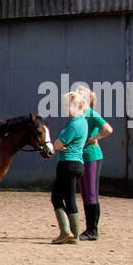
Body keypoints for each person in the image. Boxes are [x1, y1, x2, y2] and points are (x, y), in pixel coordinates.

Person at [50, 85, 92, 244]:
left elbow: (59, 144)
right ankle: (73, 235)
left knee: (57, 198)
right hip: (76, 163)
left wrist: (57, 144)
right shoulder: (79, 121)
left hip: (68, 163)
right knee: (69, 197)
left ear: (78, 106)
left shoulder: (74, 124)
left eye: (69, 104)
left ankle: (66, 232)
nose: (66, 107)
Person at [79, 98, 114, 240]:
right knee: (86, 193)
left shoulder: (91, 114)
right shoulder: (79, 115)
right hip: (82, 156)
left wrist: (95, 137)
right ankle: (90, 229)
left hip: (92, 155)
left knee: (91, 193)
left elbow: (108, 129)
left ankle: (92, 230)